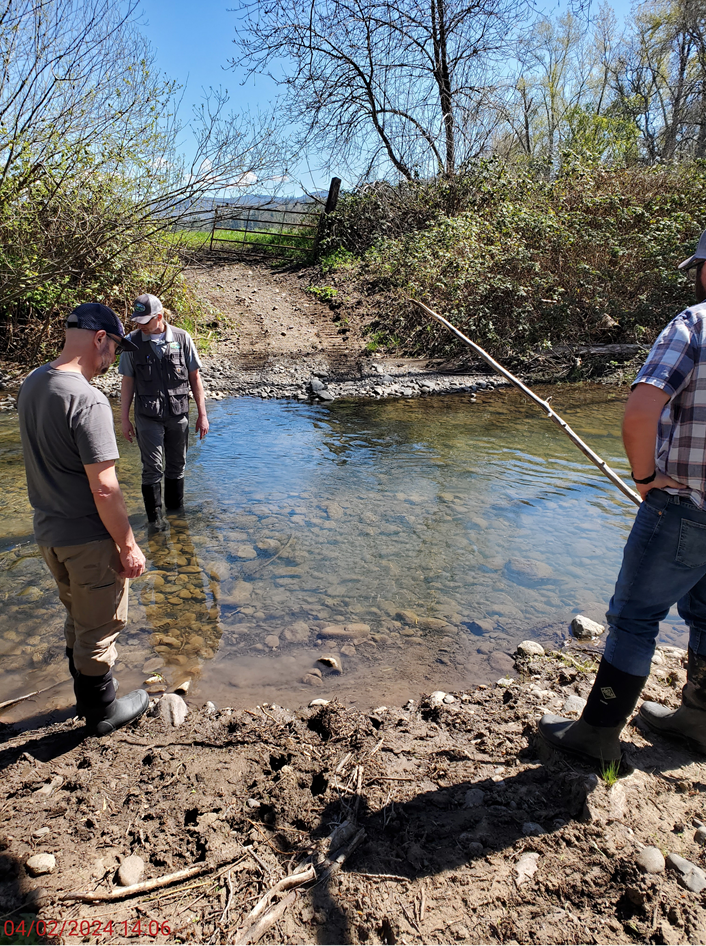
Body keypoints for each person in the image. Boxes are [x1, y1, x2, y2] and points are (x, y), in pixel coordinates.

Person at [539, 231, 706, 765]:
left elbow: (640, 414)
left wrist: (644, 478)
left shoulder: (693, 325)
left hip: (683, 506)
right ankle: (698, 719)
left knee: (635, 618)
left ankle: (597, 732)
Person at [17, 303, 149, 735]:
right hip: (89, 538)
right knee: (100, 627)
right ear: (98, 338)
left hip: (49, 533)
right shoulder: (88, 399)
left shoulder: (33, 383)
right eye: (114, 346)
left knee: (77, 615)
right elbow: (105, 488)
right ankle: (102, 713)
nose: (113, 357)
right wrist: (128, 545)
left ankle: (82, 699)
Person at [119, 294, 209, 530]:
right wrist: (124, 419)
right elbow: (127, 382)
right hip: (147, 416)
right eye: (136, 320)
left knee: (177, 465)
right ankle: (155, 522)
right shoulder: (131, 342)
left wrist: (203, 414)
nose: (139, 325)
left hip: (178, 415)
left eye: (144, 321)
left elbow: (194, 378)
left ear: (159, 317)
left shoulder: (182, 338)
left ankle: (176, 515)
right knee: (152, 468)